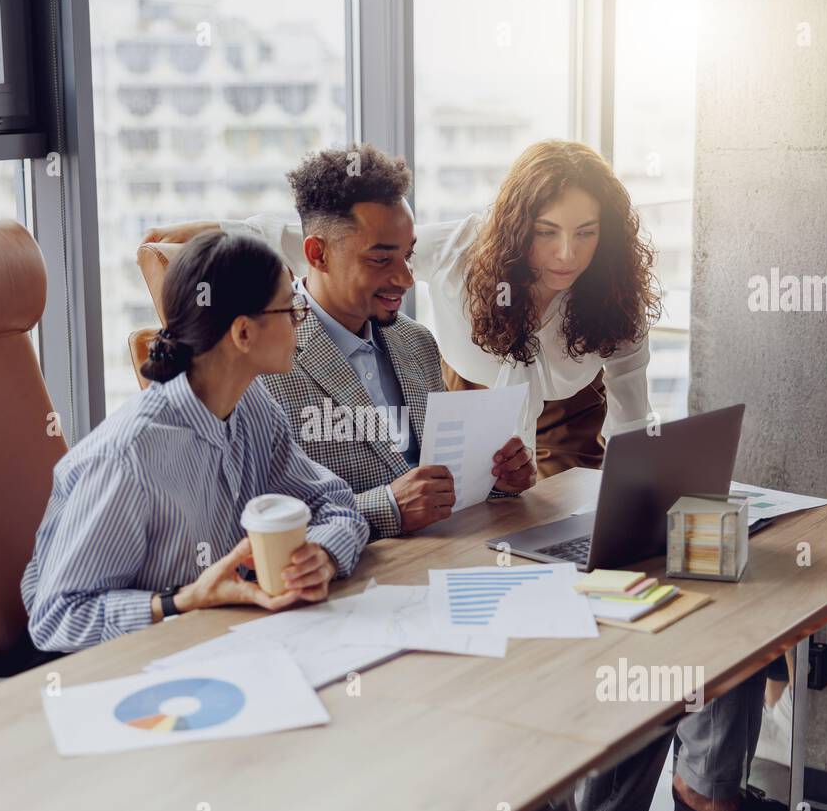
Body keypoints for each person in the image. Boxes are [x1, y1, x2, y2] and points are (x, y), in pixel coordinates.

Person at [145, 144, 537, 540]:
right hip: (344, 579)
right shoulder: (257, 355)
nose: (404, 278)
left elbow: (438, 481)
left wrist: (498, 477)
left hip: (437, 559)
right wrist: (386, 509)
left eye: (408, 255)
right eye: (381, 259)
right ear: (317, 254)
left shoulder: (416, 341)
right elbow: (247, 519)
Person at [21, 230, 370, 652]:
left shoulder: (252, 404)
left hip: (232, 649)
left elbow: (336, 504)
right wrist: (184, 601)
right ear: (243, 334)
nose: (302, 321)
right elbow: (56, 619)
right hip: (131, 677)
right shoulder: (129, 457)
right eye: (291, 308)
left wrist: (323, 555)